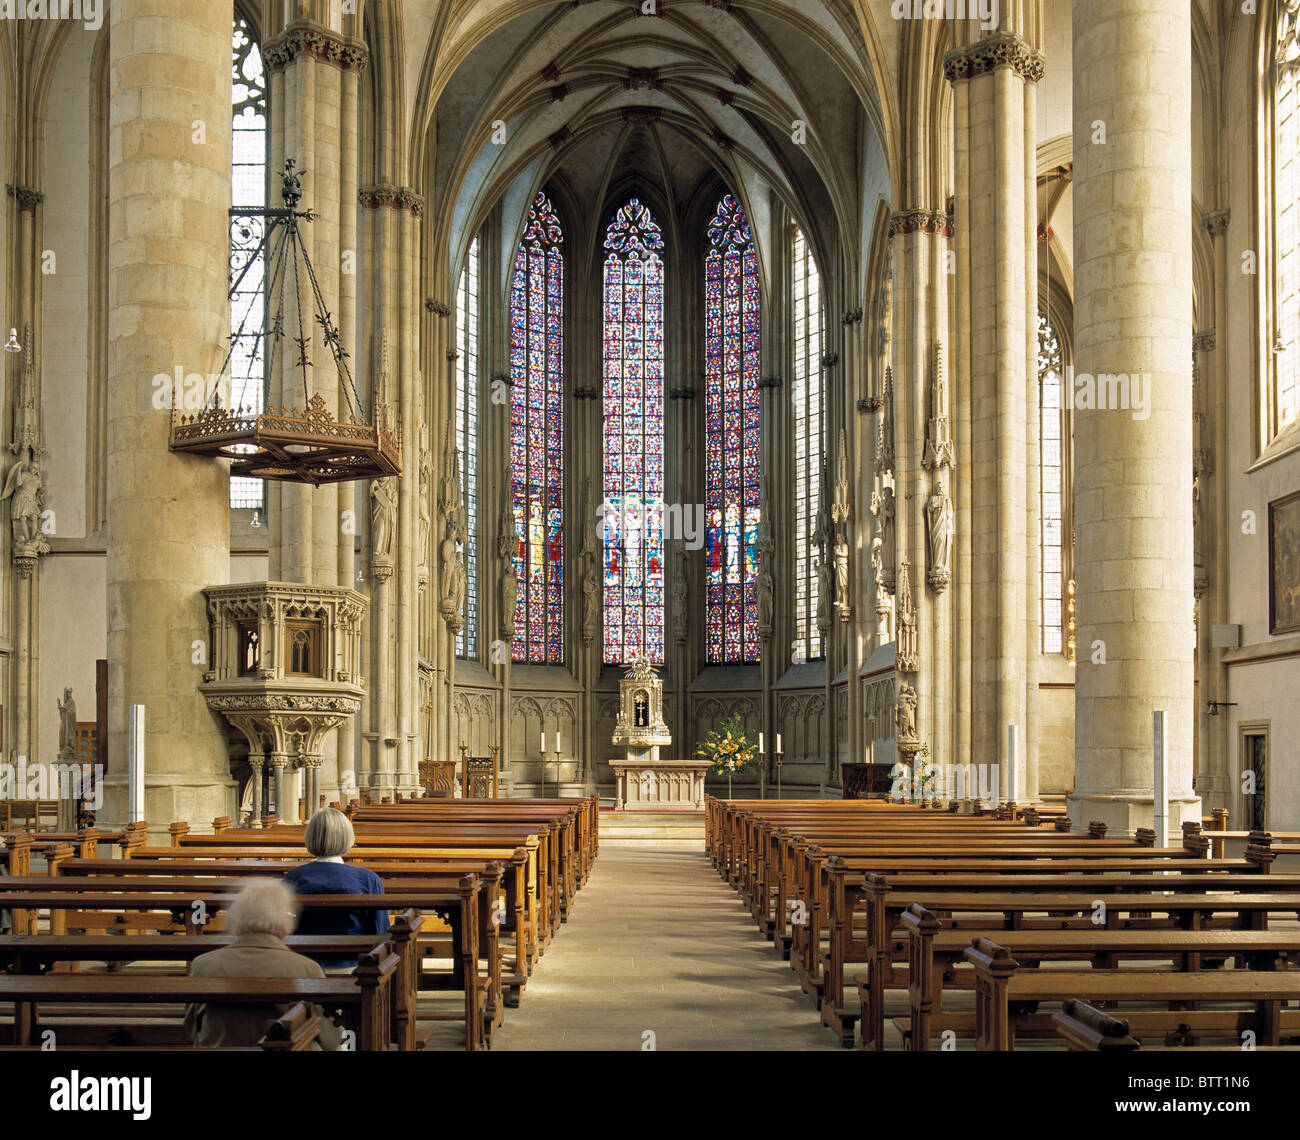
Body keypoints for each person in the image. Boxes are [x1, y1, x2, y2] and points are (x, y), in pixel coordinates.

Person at [184, 879, 342, 1050]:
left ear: (235, 918)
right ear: (285, 921)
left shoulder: (203, 965)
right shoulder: (307, 969)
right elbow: (331, 1040)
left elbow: (193, 1027)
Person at [284, 807, 389, 967]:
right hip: (356, 969)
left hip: (304, 969)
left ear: (310, 837)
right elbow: (380, 931)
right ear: (348, 837)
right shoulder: (367, 879)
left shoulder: (293, 878)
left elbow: (284, 929)